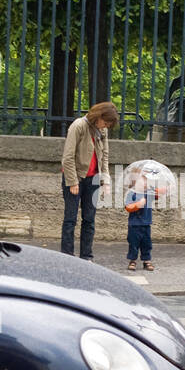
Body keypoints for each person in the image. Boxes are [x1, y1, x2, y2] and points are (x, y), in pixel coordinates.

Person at [60, 101, 118, 260]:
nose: (105, 126)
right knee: (70, 219)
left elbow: (104, 156)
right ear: (98, 116)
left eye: (108, 124)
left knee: (89, 220)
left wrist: (105, 180)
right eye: (105, 122)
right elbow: (67, 157)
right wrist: (72, 182)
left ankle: (86, 256)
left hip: (93, 179)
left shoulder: (102, 131)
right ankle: (67, 257)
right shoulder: (78, 126)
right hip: (75, 177)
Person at [124, 170, 158, 271]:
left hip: (146, 223)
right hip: (134, 224)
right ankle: (132, 260)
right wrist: (138, 205)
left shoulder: (149, 193)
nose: (145, 183)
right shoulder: (131, 193)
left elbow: (157, 194)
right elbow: (128, 207)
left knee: (147, 243)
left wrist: (166, 189)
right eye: (143, 180)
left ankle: (147, 260)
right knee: (133, 243)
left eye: (146, 181)